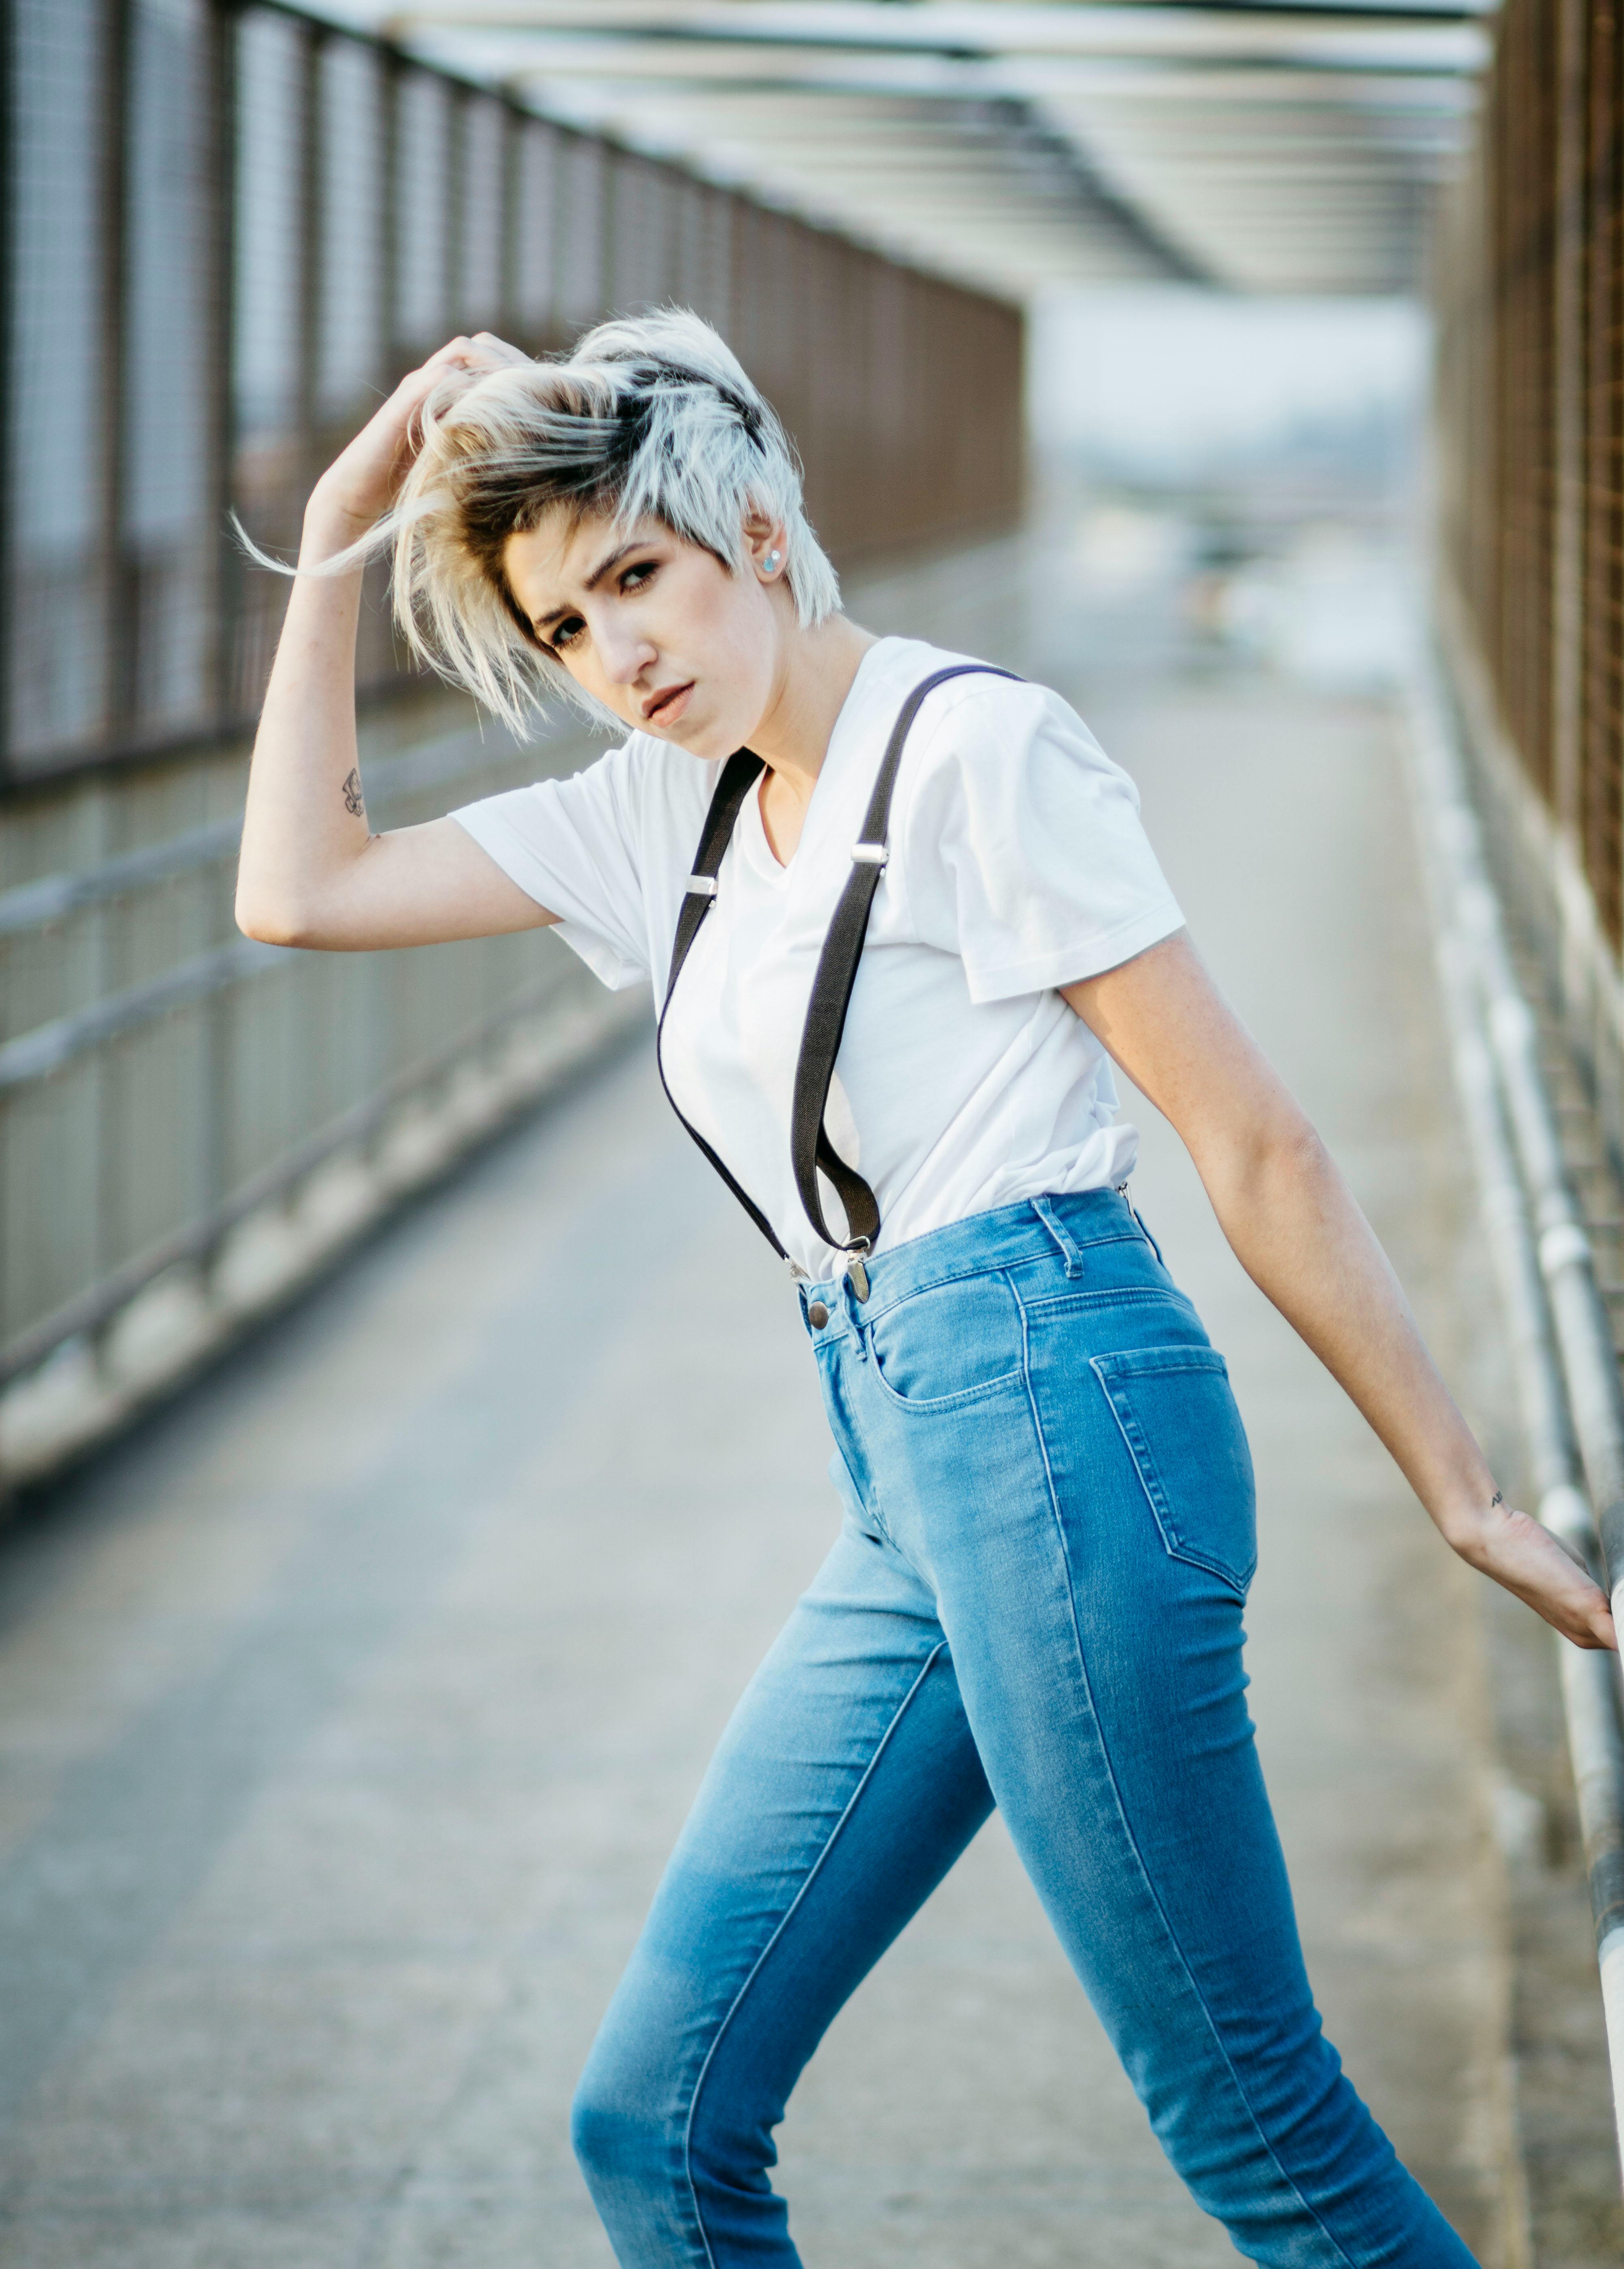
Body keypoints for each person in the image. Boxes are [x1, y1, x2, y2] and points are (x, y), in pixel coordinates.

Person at [235, 309, 1613, 2269]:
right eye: (565, 627)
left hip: (1061, 1416)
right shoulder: (665, 806)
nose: (618, 653)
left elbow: (1252, 1143)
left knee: (1254, 2122)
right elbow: (297, 889)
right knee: (657, 2122)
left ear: (757, 534)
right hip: (903, 1461)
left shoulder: (975, 746)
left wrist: (1460, 1494)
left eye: (637, 576)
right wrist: (336, 525)